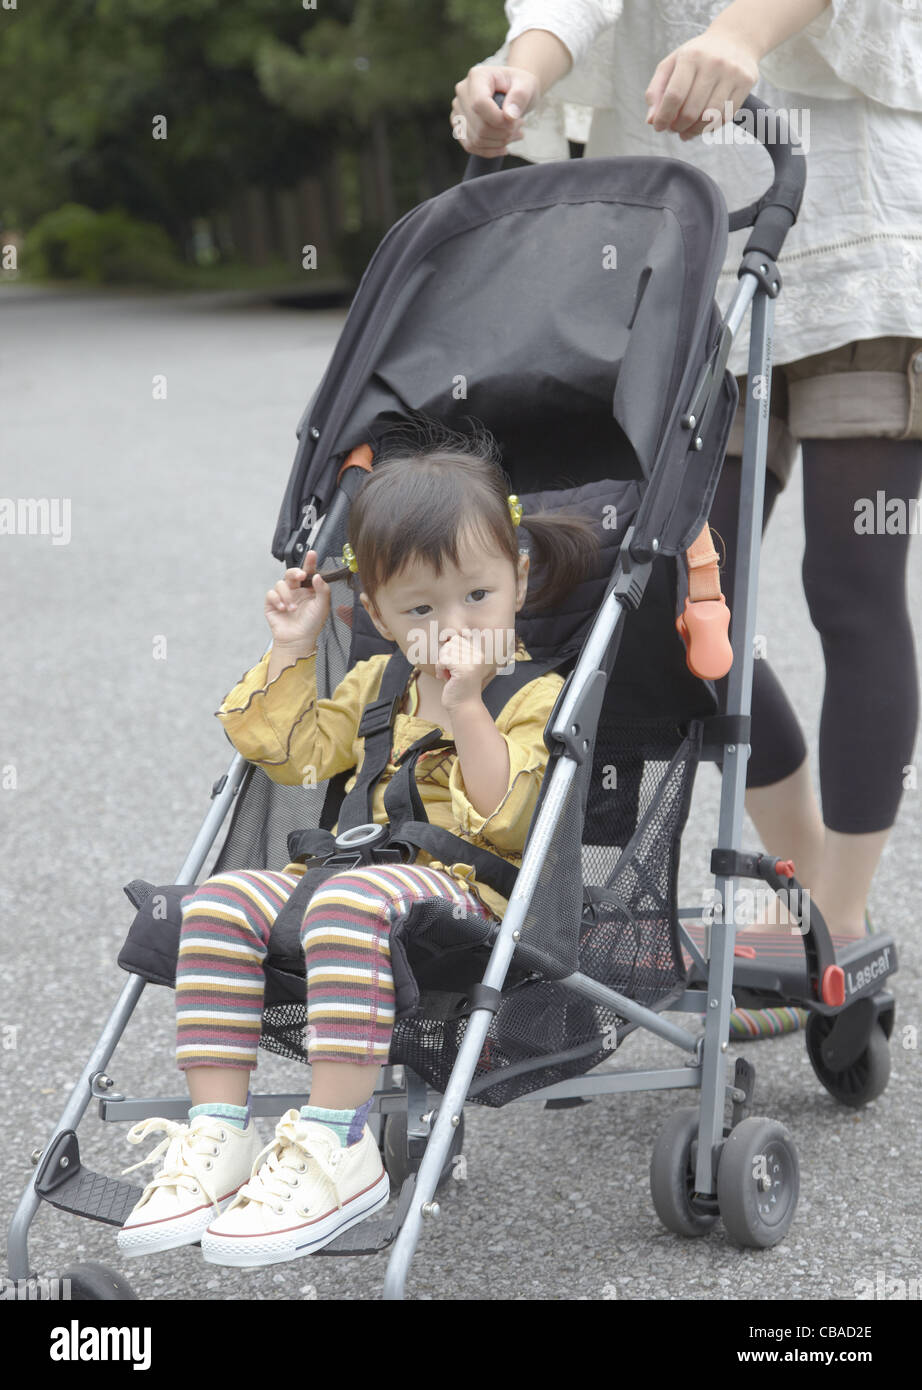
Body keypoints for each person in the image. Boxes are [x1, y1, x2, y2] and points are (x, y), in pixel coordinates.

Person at [452, 1, 922, 1036]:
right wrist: (517, 74)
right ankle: (799, 894)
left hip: (857, 200)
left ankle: (838, 928)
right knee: (663, 577)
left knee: (850, 585)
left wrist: (743, 34)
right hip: (687, 228)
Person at [116, 420, 600, 1266]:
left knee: (345, 898)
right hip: (351, 879)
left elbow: (511, 817)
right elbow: (289, 749)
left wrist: (469, 708)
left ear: (518, 580)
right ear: (375, 612)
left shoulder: (532, 692)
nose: (452, 624)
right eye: (420, 609)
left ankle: (339, 1143)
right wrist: (293, 649)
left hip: (468, 900)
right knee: (222, 900)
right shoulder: (378, 684)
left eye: (476, 598)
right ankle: (218, 1131)